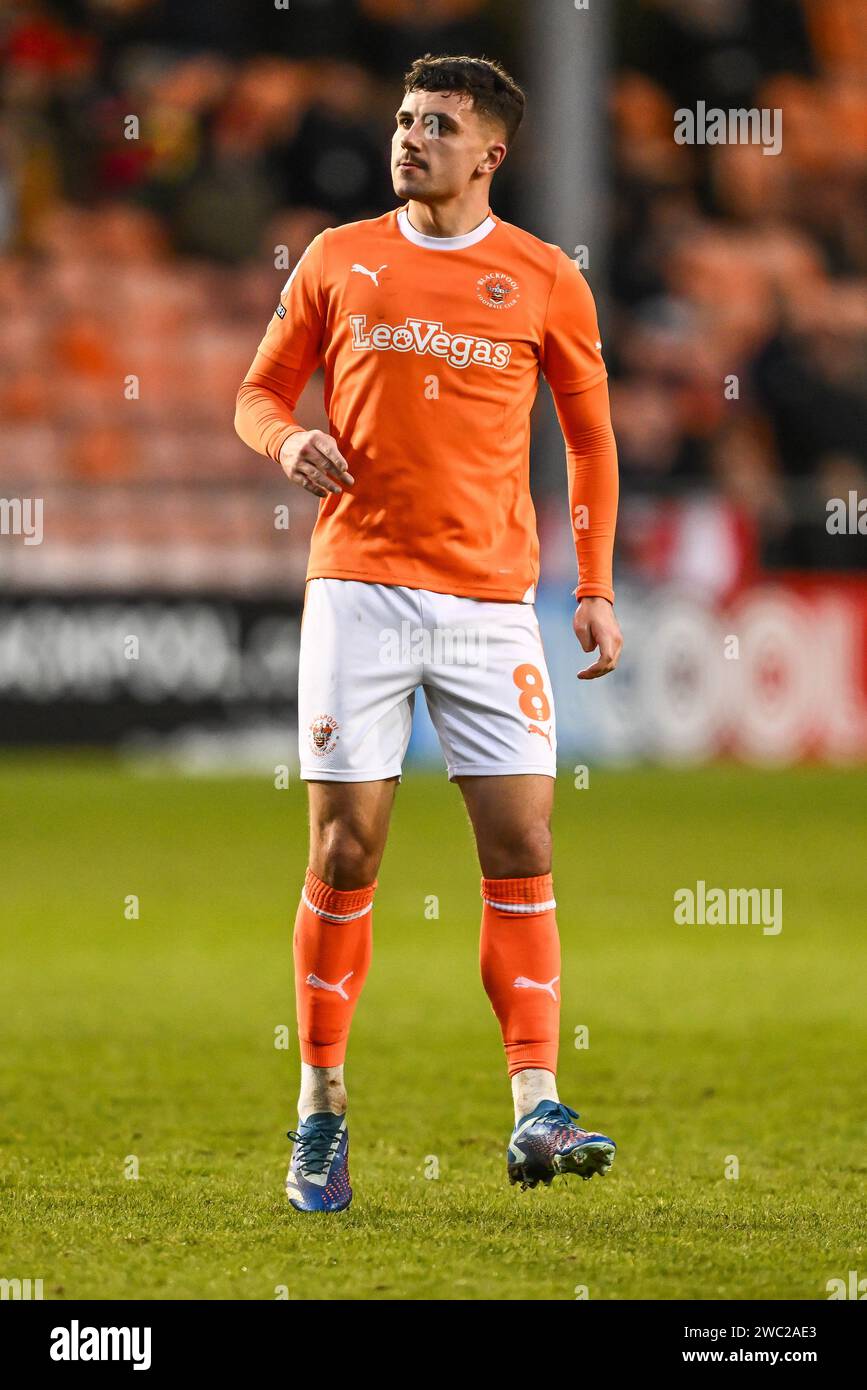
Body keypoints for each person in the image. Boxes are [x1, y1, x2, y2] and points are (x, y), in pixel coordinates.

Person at [235, 53, 622, 1212]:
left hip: (492, 603)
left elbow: (592, 439)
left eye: (438, 125)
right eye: (405, 120)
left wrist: (592, 584)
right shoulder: (338, 257)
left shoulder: (546, 278)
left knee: (524, 845)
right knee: (346, 852)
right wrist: (285, 441)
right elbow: (257, 393)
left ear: (490, 152)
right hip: (357, 590)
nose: (410, 138)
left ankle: (537, 1107)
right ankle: (319, 1110)